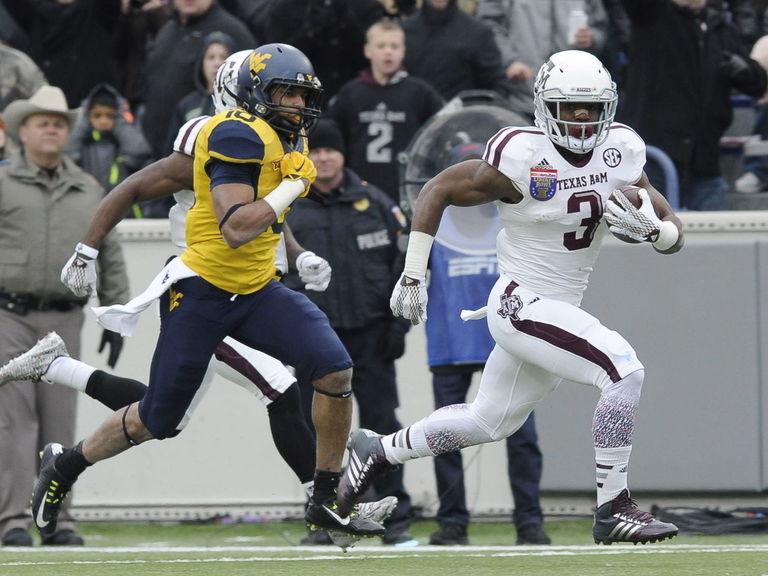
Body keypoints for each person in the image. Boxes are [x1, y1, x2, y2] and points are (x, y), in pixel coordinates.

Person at [28, 43, 385, 543]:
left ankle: (326, 500)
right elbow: (237, 223)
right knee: (159, 417)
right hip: (202, 291)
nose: (300, 108)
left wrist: (298, 251)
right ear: (252, 94)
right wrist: (86, 249)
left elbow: (267, 211)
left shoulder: (287, 141)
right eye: (288, 95)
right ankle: (67, 463)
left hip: (259, 288)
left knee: (334, 368)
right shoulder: (230, 134)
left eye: (303, 97)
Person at [336, 50, 684, 546]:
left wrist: (657, 232)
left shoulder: (621, 150)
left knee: (488, 419)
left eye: (592, 107)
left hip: (558, 309)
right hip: (521, 303)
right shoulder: (522, 155)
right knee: (623, 370)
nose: (583, 118)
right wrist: (414, 273)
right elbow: (437, 189)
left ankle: (377, 450)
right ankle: (614, 505)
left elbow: (674, 232)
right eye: (570, 107)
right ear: (545, 107)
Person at [0, 85, 129, 547]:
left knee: (61, 423)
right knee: (13, 421)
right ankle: (13, 519)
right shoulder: (2, 182)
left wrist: (116, 310)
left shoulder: (87, 187)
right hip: (8, 314)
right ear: (22, 132)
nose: (52, 128)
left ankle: (55, 519)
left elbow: (109, 248)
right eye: (42, 122)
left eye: (58, 122)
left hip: (65, 316)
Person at [284, 119, 416, 546]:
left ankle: (395, 520)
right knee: (319, 431)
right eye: (316, 150)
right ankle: (325, 520)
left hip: (371, 338)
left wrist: (397, 326)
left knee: (382, 428)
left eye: (331, 150)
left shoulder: (375, 202)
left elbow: (407, 265)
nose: (323, 157)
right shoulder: (290, 207)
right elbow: (276, 272)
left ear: (343, 156)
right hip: (316, 341)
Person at [424, 142, 548, 547]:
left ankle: (530, 523)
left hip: (510, 338)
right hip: (448, 341)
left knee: (523, 438)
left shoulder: (515, 216)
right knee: (444, 435)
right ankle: (452, 523)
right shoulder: (434, 217)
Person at [617, 0, 767, 210]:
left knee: (712, 240)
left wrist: (743, 70)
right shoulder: (652, 15)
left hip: (705, 162)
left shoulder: (721, 28)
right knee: (650, 236)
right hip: (654, 162)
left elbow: (757, 85)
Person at [326, 18, 445, 204]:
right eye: (381, 46)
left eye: (394, 46)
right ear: (367, 50)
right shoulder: (351, 92)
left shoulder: (419, 91)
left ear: (403, 51)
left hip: (406, 188)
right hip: (360, 187)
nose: (388, 51)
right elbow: (331, 132)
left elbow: (443, 127)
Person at [139, 0, 255, 159]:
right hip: (156, 148)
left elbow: (253, 88)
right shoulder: (168, 29)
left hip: (203, 159)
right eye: (211, 58)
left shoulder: (233, 30)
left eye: (220, 57)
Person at [475, 0, 609, 122]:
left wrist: (592, 37)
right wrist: (510, 61)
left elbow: (601, 25)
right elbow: (488, 26)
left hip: (573, 99)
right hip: (521, 95)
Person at [400, 0, 508, 101]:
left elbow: (498, 85)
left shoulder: (477, 33)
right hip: (416, 117)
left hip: (463, 117)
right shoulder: (404, 33)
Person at [65, 83, 152, 204]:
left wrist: (119, 124)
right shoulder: (83, 144)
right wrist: (84, 122)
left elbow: (139, 150)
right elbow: (67, 153)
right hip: (87, 203)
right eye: (97, 115)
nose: (103, 121)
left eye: (110, 116)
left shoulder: (122, 142)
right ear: (87, 116)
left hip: (121, 206)